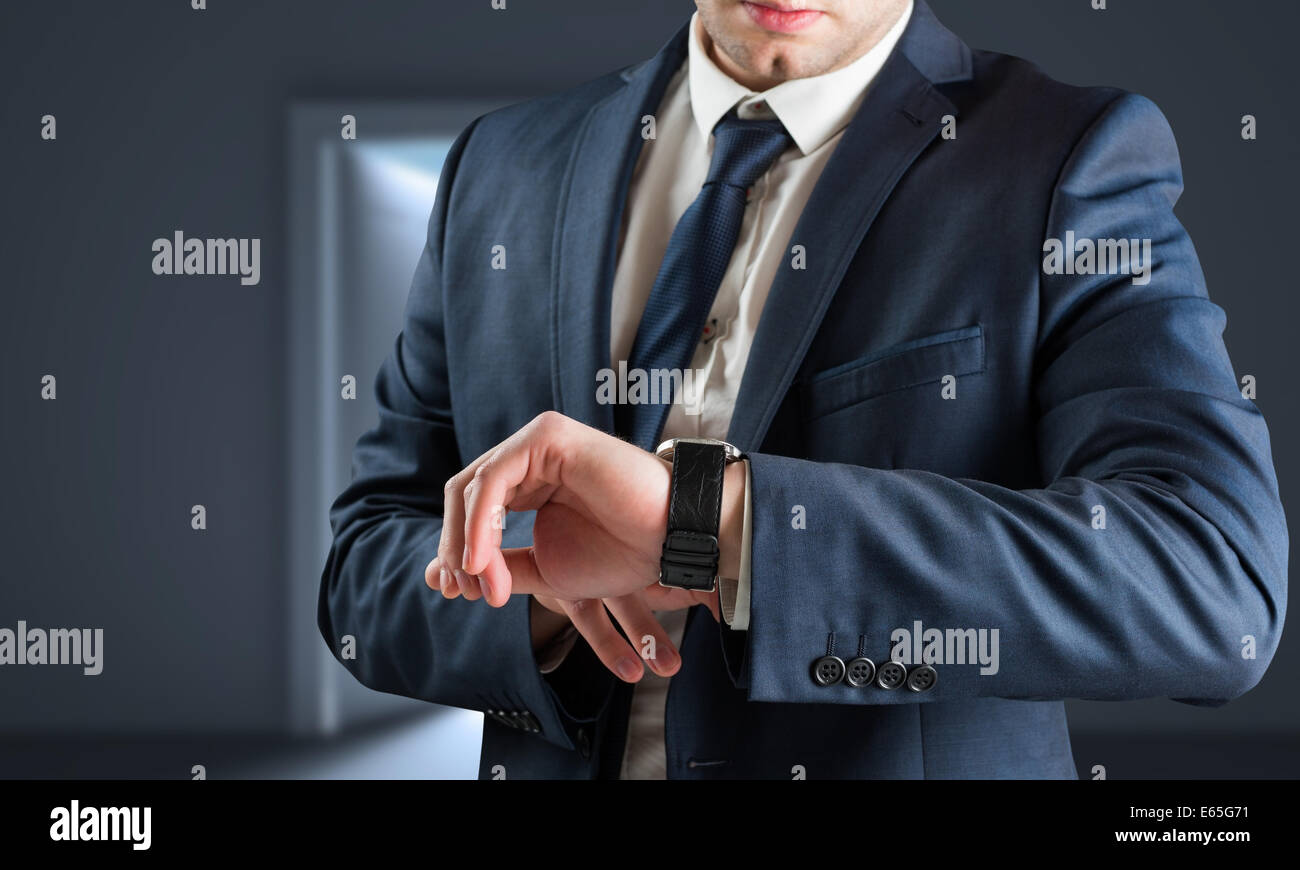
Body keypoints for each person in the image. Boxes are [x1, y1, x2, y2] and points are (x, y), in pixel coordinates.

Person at [318, 0, 1288, 779]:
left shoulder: (1067, 157)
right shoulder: (502, 163)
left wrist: (709, 519)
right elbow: (362, 572)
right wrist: (531, 590)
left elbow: (1209, 589)